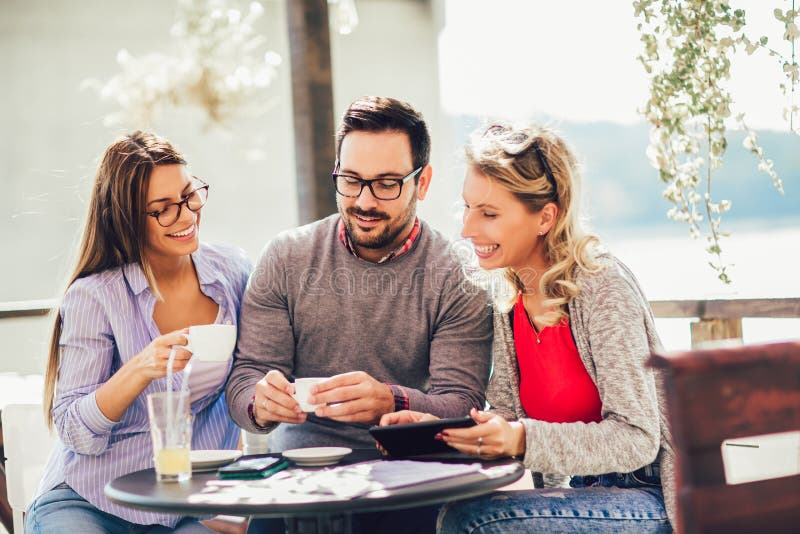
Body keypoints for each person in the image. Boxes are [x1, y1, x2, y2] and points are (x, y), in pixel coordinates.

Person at [381, 122, 675, 533]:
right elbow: (503, 420)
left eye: (489, 213)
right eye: (467, 207)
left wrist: (521, 440)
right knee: (445, 510)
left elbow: (637, 438)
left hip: (652, 498)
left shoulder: (602, 288)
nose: (467, 228)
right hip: (586, 497)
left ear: (545, 217)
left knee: (476, 521)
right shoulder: (511, 299)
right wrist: (438, 434)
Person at [225, 96, 493, 533]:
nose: (364, 201)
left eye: (387, 183)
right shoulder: (287, 257)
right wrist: (260, 402)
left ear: (422, 183)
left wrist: (392, 400)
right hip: (297, 479)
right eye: (350, 180)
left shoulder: (456, 273)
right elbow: (244, 382)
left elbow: (462, 403)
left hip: (408, 475)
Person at [26, 132, 251, 533]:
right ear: (127, 219)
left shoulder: (233, 272)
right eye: (162, 209)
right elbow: (73, 427)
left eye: (189, 195)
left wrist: (226, 507)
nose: (186, 215)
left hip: (184, 507)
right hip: (90, 500)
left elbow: (255, 375)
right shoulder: (95, 297)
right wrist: (140, 368)